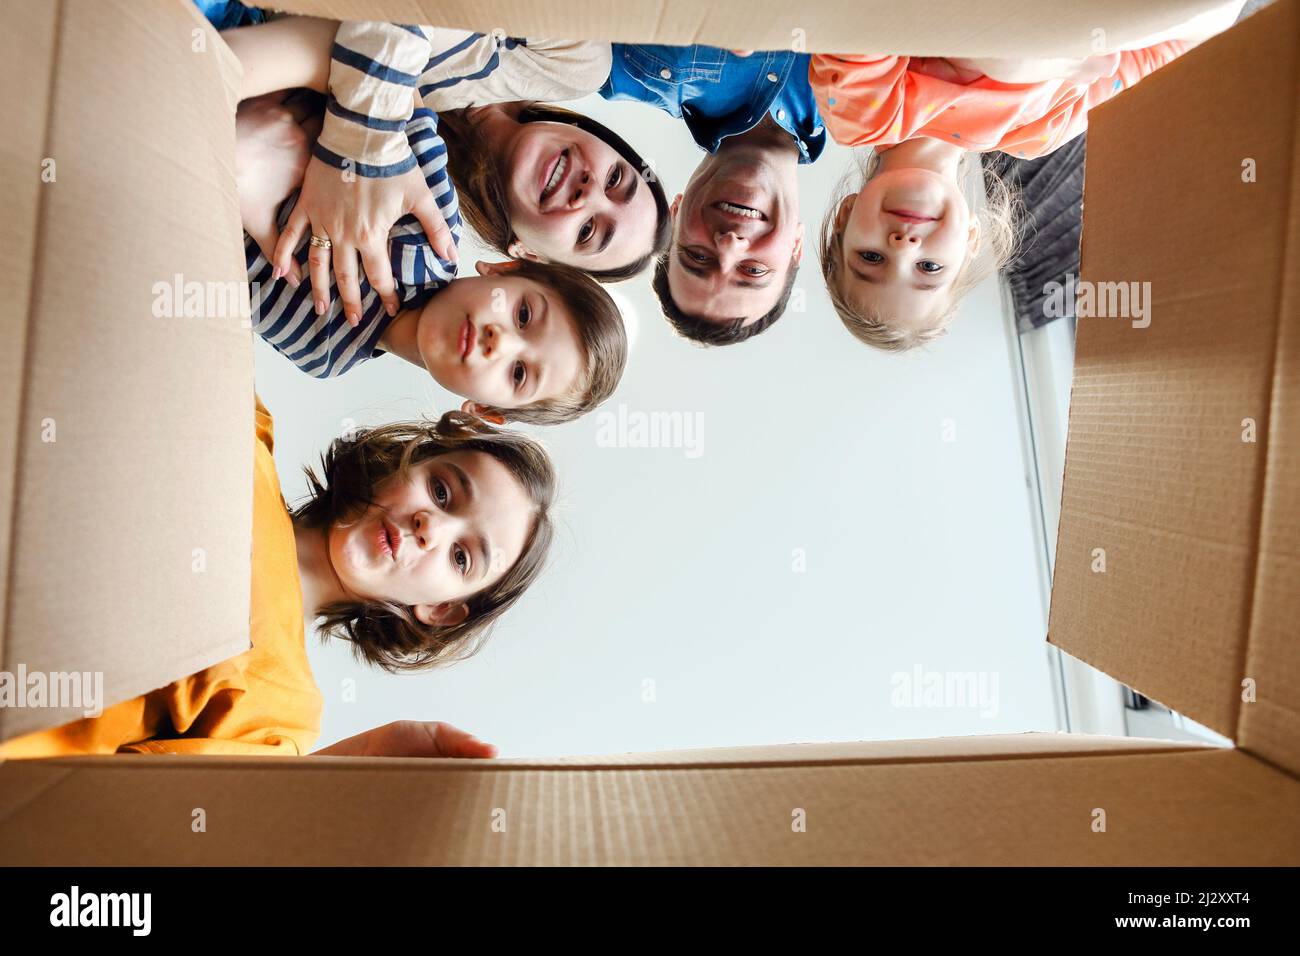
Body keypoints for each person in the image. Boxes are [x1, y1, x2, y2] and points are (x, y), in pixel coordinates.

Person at [0, 397, 556, 757]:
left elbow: (132, 823)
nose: (430, 527)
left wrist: (332, 780)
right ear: (408, 461)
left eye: (462, 557)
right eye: (441, 490)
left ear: (439, 610)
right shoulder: (242, 425)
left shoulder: (283, 715)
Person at [237, 91, 627, 425]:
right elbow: (391, 82)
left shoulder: (323, 356)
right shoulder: (431, 225)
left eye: (519, 373)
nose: (500, 342)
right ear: (504, 269)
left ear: (485, 410)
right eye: (523, 315)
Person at [219, 15, 670, 304]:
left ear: (527, 253)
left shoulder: (401, 215)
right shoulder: (575, 62)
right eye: (615, 177)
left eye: (588, 230)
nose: (589, 192)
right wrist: (361, 140)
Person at [810, 42, 1203, 351]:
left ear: (845, 216)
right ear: (971, 240)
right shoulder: (1037, 132)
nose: (904, 245)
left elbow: (864, 13)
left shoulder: (859, 113)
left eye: (872, 257)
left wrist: (1011, 61)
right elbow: (1165, 48)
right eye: (929, 268)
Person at [598, 45, 826, 345]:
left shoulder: (619, 70)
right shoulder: (885, 100)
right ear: (796, 247)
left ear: (674, 213)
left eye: (698, 255)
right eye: (753, 270)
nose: (730, 244)